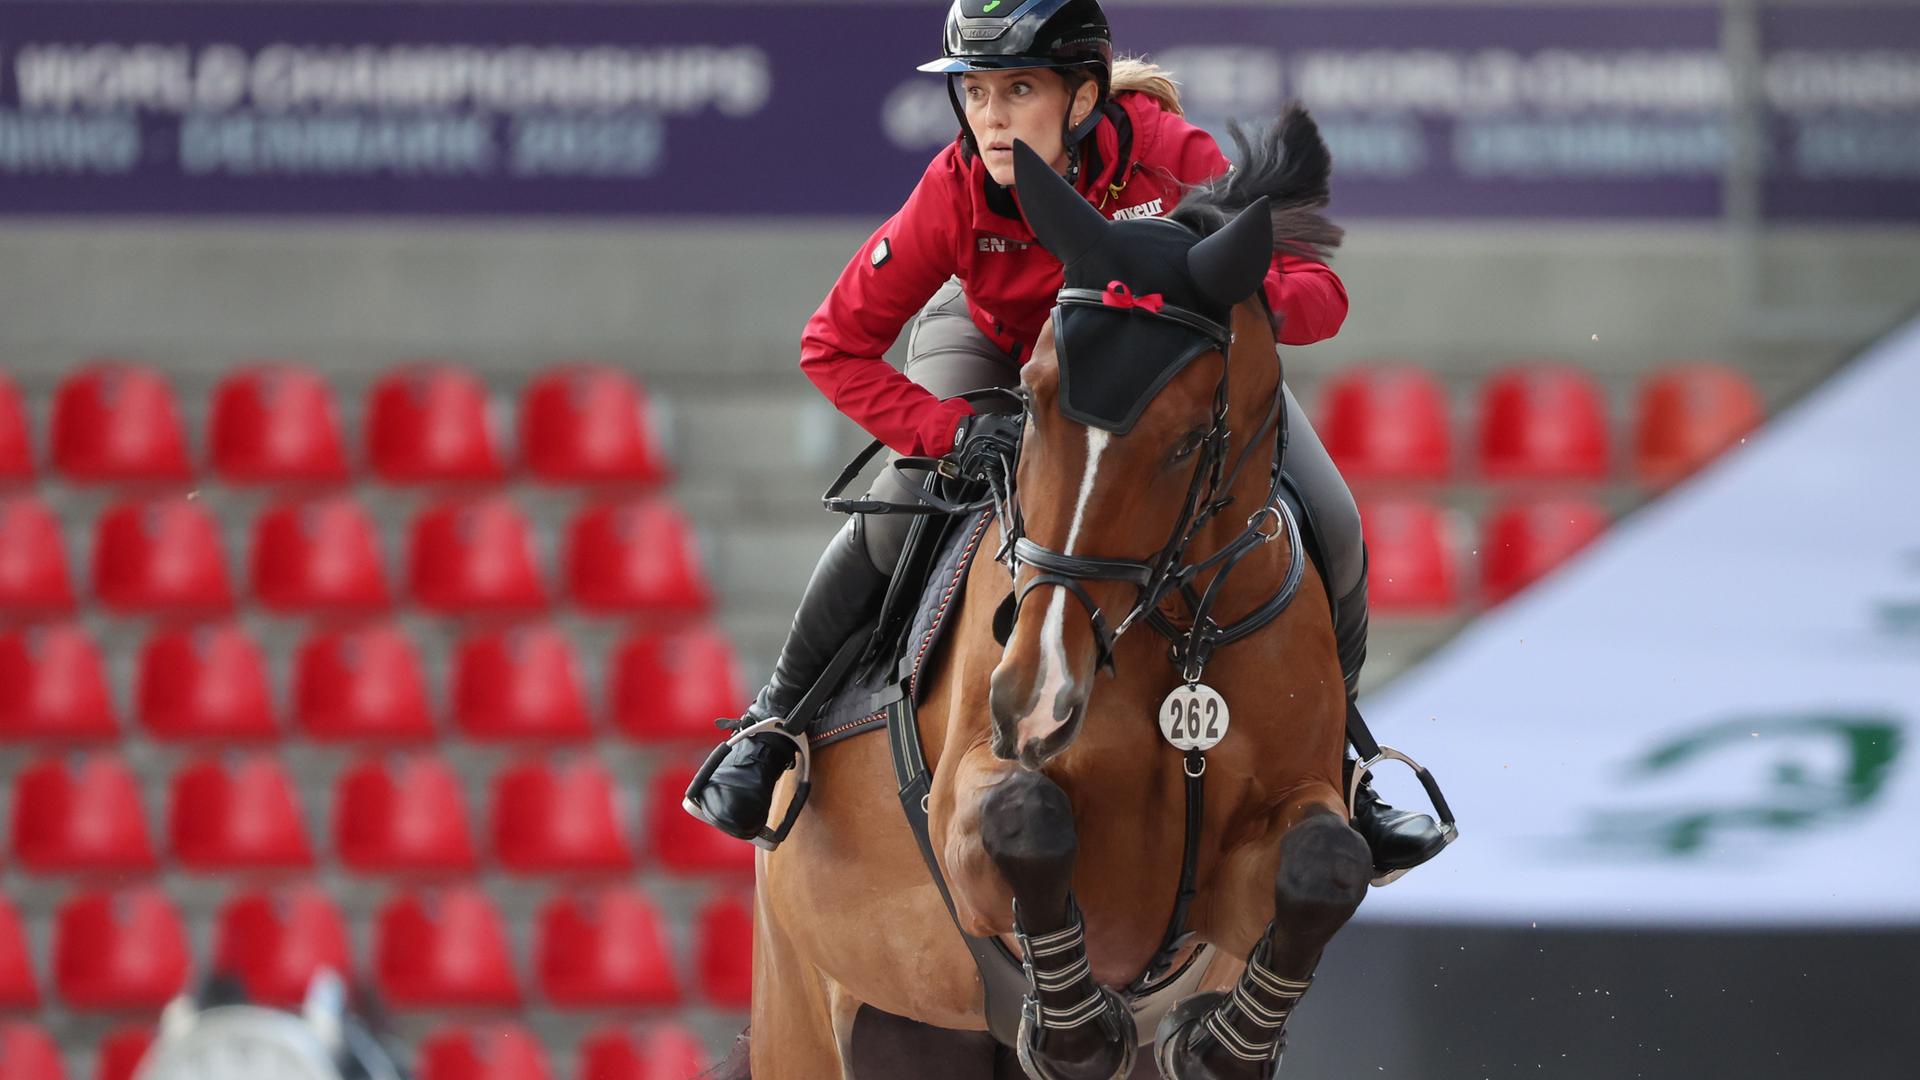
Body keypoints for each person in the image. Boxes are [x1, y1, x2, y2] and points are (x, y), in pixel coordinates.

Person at [685, 0, 1446, 874]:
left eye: (1019, 89)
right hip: (996, 357)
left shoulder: (1172, 157)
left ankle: (1349, 769)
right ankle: (771, 727)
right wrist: (950, 429)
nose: (993, 117)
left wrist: (1227, 292)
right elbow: (832, 346)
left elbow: (1319, 290)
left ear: (1083, 99)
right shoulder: (958, 186)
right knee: (900, 507)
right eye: (975, 93)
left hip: (1157, 377)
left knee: (1335, 520)